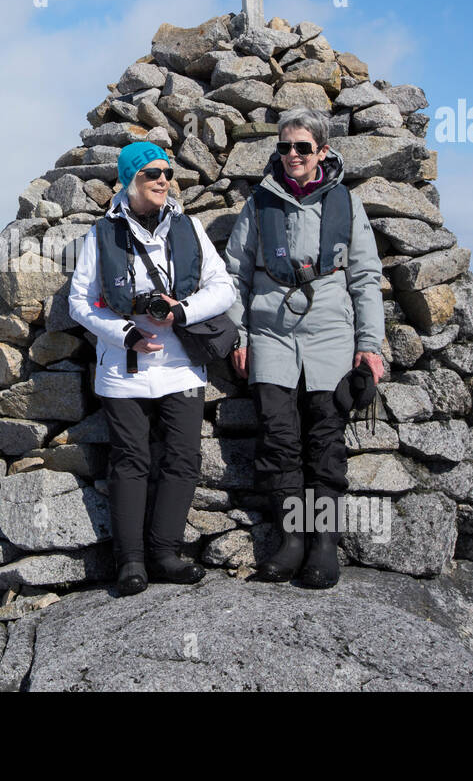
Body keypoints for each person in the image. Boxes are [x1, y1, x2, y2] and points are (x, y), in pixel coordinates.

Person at [223, 107, 384, 589]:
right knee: (278, 439)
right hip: (271, 332)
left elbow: (366, 277)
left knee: (325, 440)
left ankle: (323, 545)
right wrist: (240, 334)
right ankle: (292, 542)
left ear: (322, 152)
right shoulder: (260, 203)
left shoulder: (345, 204)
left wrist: (369, 344)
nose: (292, 155)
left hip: (331, 333)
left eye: (302, 147)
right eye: (285, 147)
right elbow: (235, 273)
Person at [69, 141, 237, 596]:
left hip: (181, 365)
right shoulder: (101, 234)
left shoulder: (190, 228)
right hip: (124, 366)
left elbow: (223, 288)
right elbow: (80, 303)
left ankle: (165, 553)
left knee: (182, 459)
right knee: (130, 461)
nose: (163, 180)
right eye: (152, 174)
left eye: (167, 173)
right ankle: (131, 562)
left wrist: (180, 311)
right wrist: (126, 333)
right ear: (129, 181)